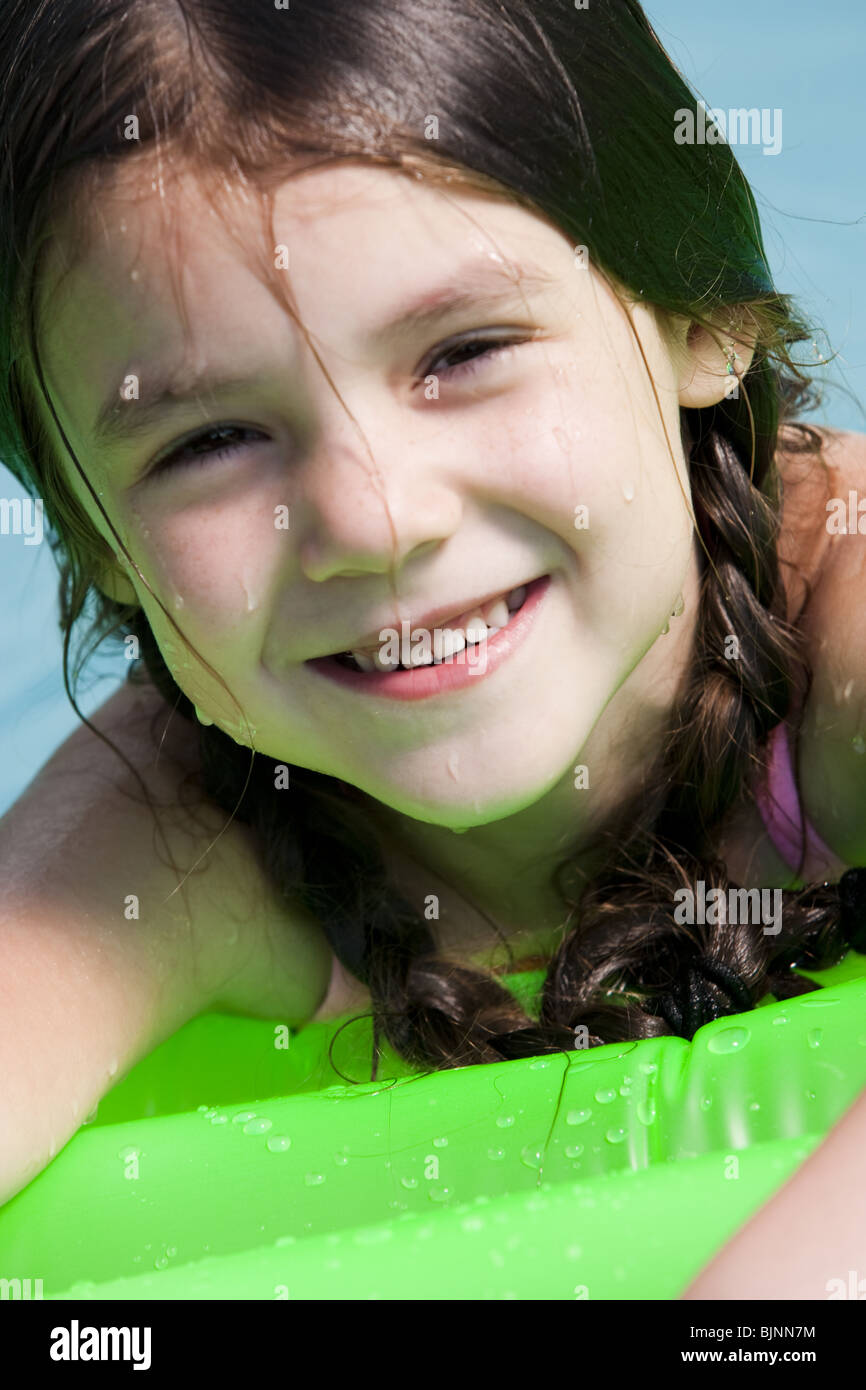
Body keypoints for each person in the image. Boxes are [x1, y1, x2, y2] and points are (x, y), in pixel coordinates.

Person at [1, 0, 864, 1297]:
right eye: (207, 443)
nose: (371, 520)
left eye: (462, 352)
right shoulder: (176, 837)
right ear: (96, 545)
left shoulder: (837, 620)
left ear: (703, 318)